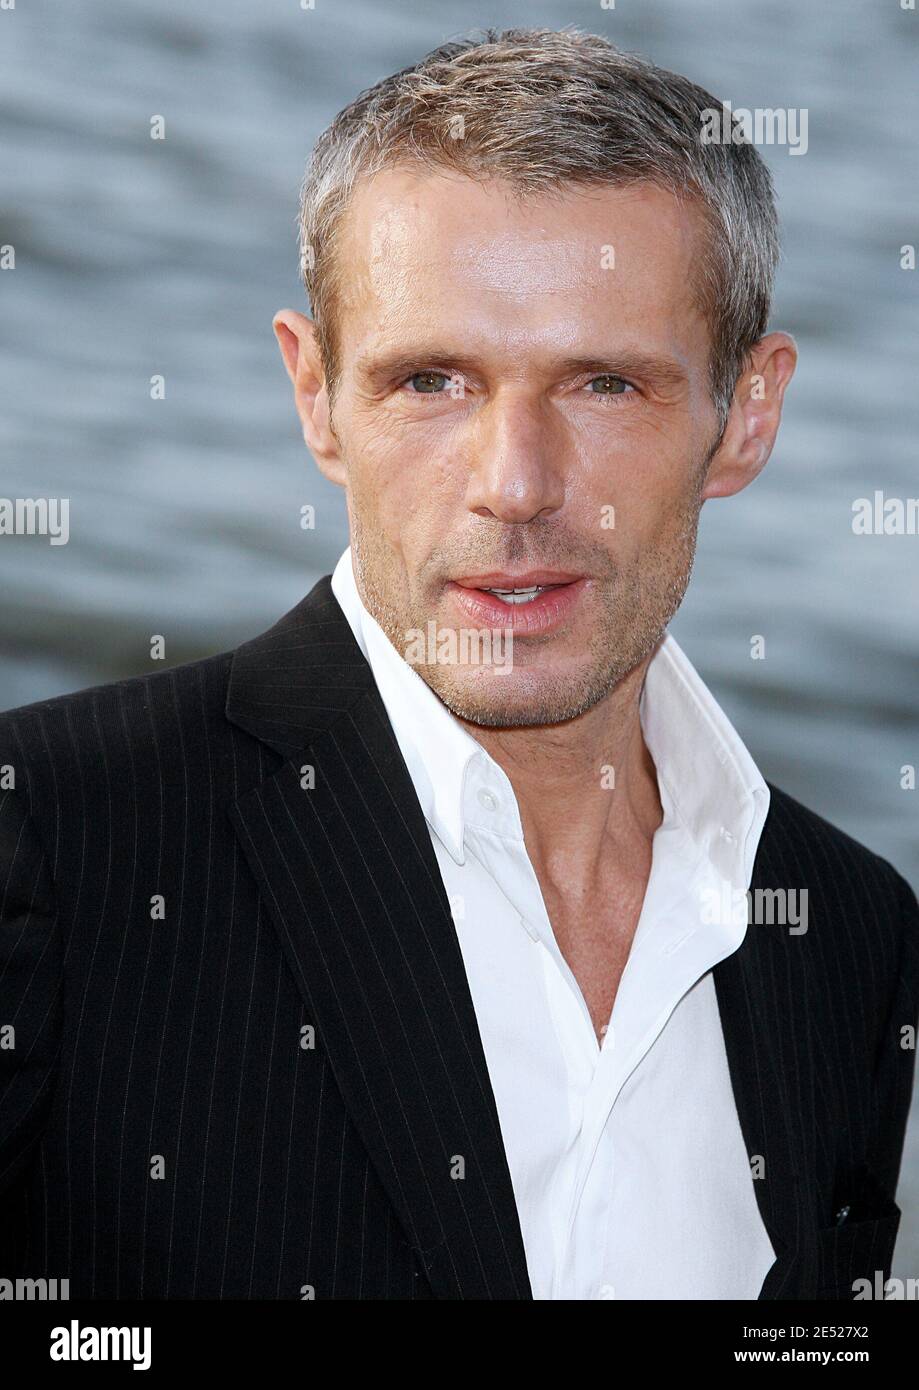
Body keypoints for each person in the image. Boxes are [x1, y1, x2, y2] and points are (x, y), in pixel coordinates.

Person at [1, 27, 916, 1301]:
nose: (514, 486)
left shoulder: (849, 930)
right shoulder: (49, 837)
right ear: (316, 397)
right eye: (431, 380)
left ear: (744, 415)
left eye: (604, 384)